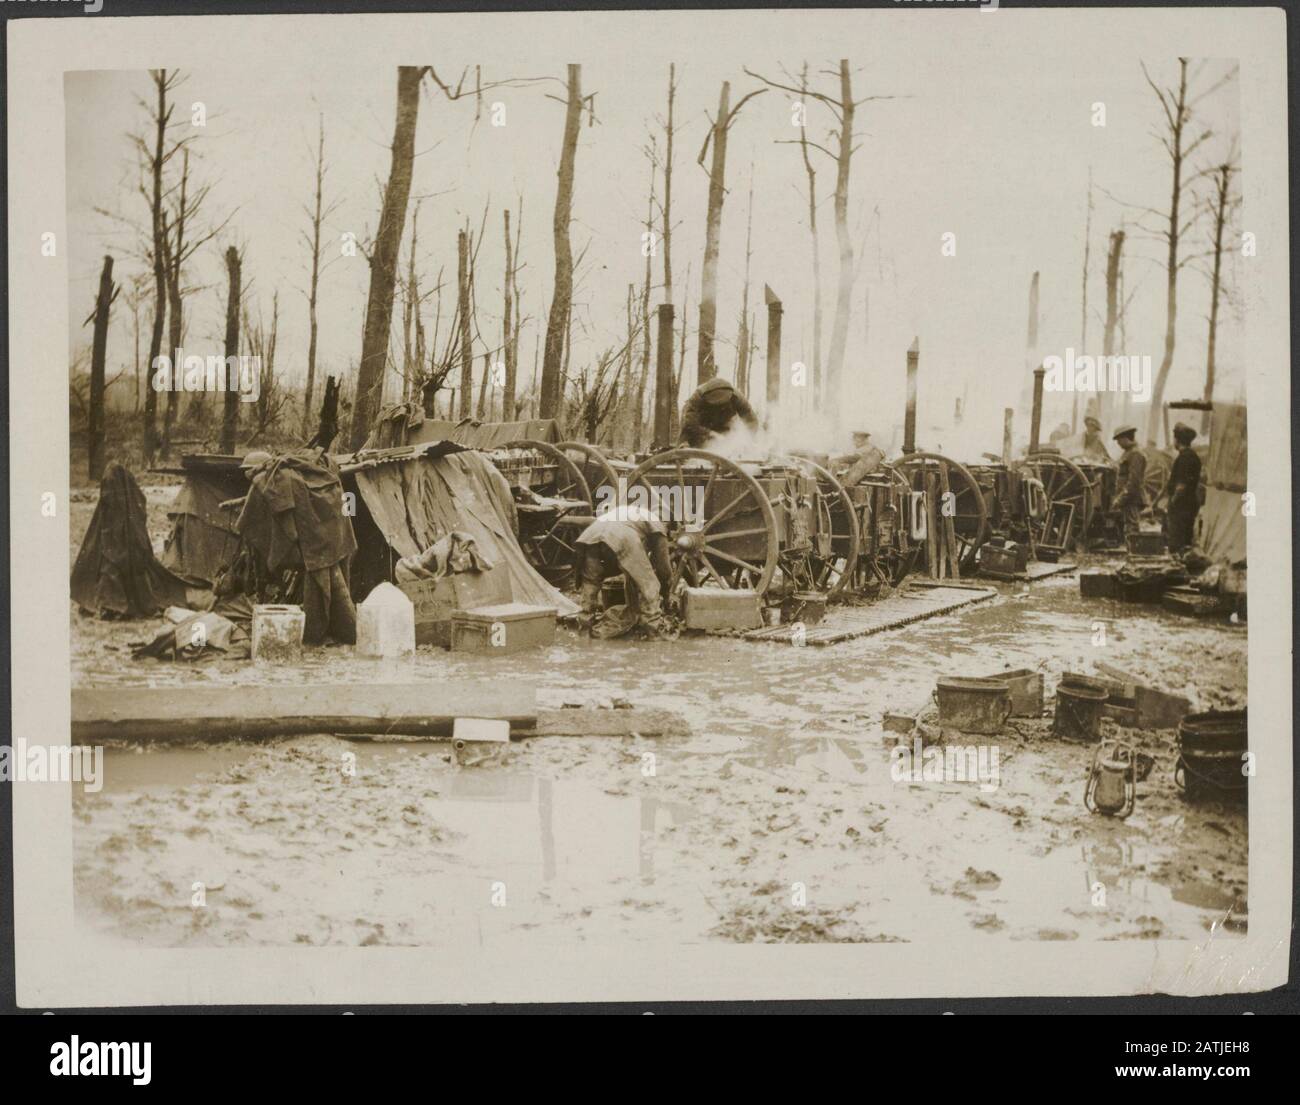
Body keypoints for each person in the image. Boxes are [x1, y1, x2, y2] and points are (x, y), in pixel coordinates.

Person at [575, 506, 675, 638]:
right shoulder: (657, 524)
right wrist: (666, 592)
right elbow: (663, 567)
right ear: (666, 523)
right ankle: (653, 630)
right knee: (649, 584)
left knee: (590, 583)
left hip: (590, 534)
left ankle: (584, 628)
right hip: (621, 535)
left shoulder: (633, 512)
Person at [678, 377, 759, 448]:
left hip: (723, 425)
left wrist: (747, 439)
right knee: (688, 450)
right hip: (699, 428)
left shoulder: (737, 397)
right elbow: (690, 424)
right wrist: (710, 434)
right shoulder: (697, 397)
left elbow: (751, 421)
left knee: (729, 448)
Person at [1165, 421, 1203, 554]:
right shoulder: (1193, 457)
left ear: (1177, 440)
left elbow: (1181, 486)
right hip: (1190, 504)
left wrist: (1173, 502)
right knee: (1186, 540)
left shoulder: (1184, 458)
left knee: (1177, 542)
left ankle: (1177, 568)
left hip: (1181, 506)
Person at [1111, 425, 1148, 536]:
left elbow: (1134, 482)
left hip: (1132, 499)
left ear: (1125, 438)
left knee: (1132, 528)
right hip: (1128, 498)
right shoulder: (1128, 452)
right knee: (1128, 527)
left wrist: (1120, 499)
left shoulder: (1136, 454)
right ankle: (1130, 550)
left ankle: (1133, 552)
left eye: (1119, 441)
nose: (1118, 443)